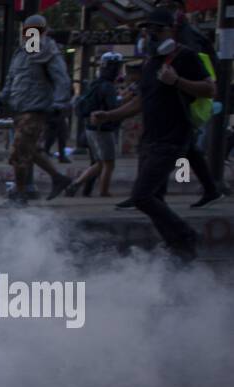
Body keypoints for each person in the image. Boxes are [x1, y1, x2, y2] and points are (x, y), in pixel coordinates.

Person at [91, 9, 215, 259]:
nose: (151, 36)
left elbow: (209, 89)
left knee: (142, 196)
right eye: (147, 31)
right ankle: (178, 248)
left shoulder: (186, 57)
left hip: (172, 138)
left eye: (157, 30)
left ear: (171, 31)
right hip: (150, 140)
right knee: (155, 196)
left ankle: (184, 235)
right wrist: (110, 115)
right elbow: (140, 102)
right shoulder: (152, 63)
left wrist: (177, 81)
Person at [0, 15, 74, 205]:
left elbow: (62, 79)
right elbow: (12, 78)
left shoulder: (48, 51)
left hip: (35, 109)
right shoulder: (21, 52)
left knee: (19, 153)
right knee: (29, 150)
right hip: (20, 108)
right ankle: (58, 178)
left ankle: (20, 194)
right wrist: (2, 97)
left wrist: (59, 103)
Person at [156, 0, 223, 207]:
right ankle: (210, 189)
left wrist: (176, 81)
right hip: (181, 96)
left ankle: (153, 193)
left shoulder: (186, 35)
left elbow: (190, 64)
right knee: (187, 148)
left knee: (169, 146)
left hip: (184, 97)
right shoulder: (178, 32)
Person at [68, 52, 123, 198]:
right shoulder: (108, 87)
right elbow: (113, 108)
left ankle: (76, 184)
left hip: (91, 128)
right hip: (103, 128)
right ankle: (104, 191)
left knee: (99, 163)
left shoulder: (95, 83)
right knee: (109, 163)